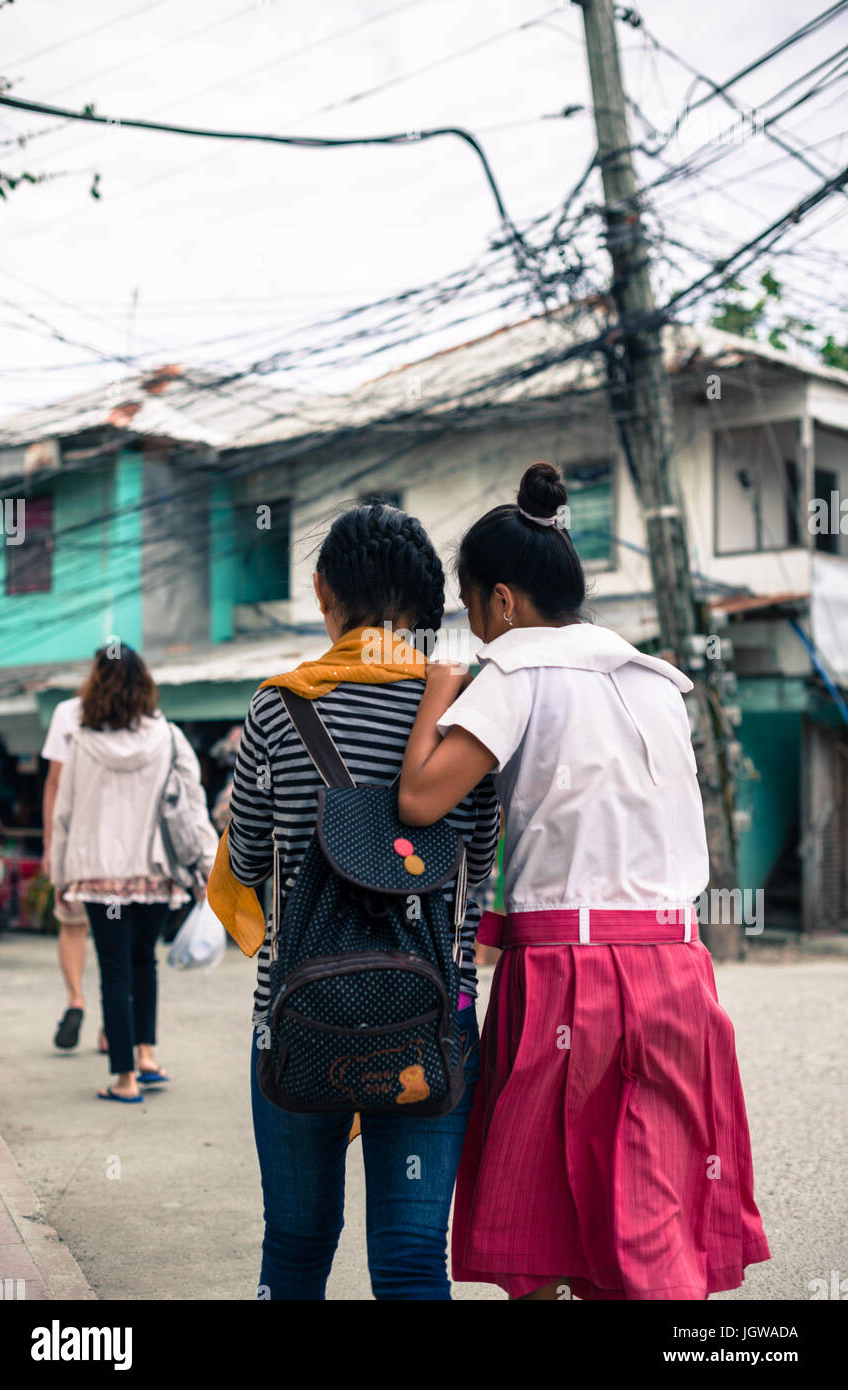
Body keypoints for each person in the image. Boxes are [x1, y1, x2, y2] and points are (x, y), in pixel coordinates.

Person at [398, 461, 771, 1301]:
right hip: (679, 973)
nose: (473, 625)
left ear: (500, 599)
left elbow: (420, 800)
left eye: (469, 608)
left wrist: (438, 690)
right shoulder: (655, 681)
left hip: (570, 973)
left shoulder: (516, 674)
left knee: (537, 1230)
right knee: (645, 1228)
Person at [222, 502, 500, 1300]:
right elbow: (474, 868)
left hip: (298, 1012)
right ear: (426, 606)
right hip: (431, 1013)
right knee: (412, 1259)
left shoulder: (278, 706)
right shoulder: (463, 712)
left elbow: (246, 860)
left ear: (321, 592)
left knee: (298, 1243)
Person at [49, 645, 218, 1103]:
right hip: (154, 873)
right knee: (144, 962)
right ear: (144, 684)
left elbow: (64, 814)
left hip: (100, 878)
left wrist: (61, 876)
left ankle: (123, 1079)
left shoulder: (81, 743)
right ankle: (145, 1055)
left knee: (115, 971)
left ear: (96, 687)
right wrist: (208, 866)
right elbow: (194, 806)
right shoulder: (169, 737)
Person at [42, 694, 107, 1053]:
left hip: (77, 844)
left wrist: (51, 845)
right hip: (125, 850)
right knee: (118, 937)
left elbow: (54, 783)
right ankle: (114, 1027)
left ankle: (76, 1000)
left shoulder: (67, 712)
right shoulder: (143, 713)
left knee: (72, 925)